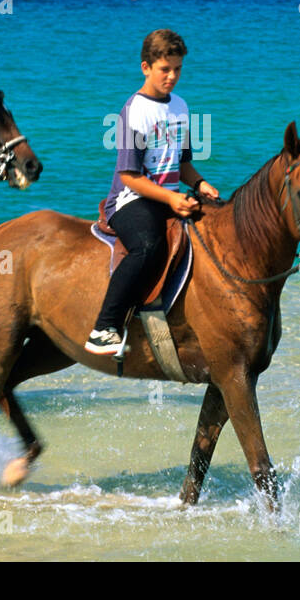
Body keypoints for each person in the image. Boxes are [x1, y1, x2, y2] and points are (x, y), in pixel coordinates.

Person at [86, 29, 219, 355]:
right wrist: (172, 198)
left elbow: (183, 165)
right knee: (148, 246)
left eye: (178, 69)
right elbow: (129, 176)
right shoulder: (134, 111)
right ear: (146, 67)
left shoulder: (181, 107)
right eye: (165, 69)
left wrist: (200, 184)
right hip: (132, 200)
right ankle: (105, 326)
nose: (172, 76)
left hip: (169, 196)